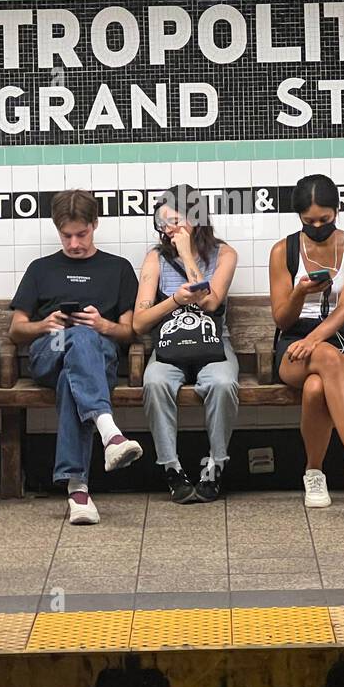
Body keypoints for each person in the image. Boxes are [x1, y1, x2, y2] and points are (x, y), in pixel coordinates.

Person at [9, 189, 142, 525]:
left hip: (98, 357)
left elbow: (128, 331)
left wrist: (103, 324)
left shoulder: (118, 268)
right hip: (49, 350)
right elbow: (16, 330)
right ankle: (110, 432)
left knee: (76, 371)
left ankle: (77, 489)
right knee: (76, 341)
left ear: (94, 225)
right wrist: (45, 324)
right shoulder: (41, 269)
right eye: (66, 236)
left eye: (81, 234)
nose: (74, 243)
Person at [269, 174, 344, 508]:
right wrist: (299, 292)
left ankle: (314, 474)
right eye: (309, 221)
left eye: (325, 219)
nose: (318, 226)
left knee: (317, 386)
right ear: (299, 218)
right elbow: (281, 318)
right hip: (295, 341)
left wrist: (316, 339)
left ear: (337, 211)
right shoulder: (283, 250)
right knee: (324, 360)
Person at [135, 185, 240, 504]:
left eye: (176, 221)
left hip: (212, 342)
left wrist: (184, 254)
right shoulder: (154, 258)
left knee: (223, 383)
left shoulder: (224, 254)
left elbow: (209, 302)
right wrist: (174, 302)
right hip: (169, 344)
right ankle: (171, 467)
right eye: (163, 223)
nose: (169, 230)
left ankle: (216, 464)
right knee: (154, 382)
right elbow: (139, 322)